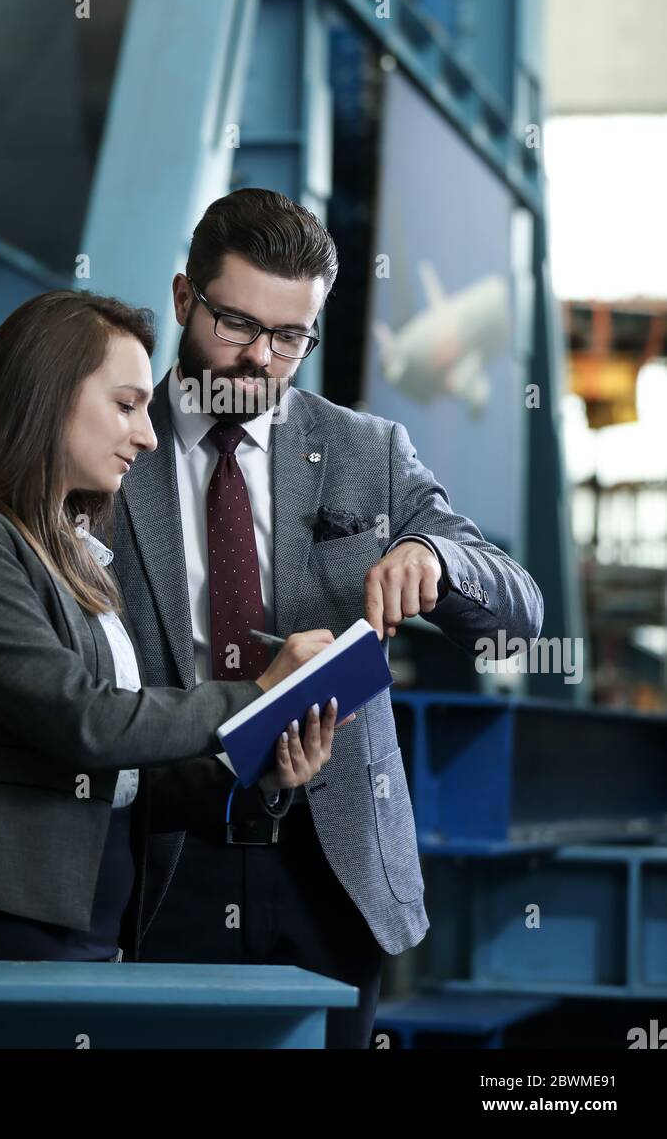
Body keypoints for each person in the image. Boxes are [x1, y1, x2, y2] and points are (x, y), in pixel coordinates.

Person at [112, 187, 546, 1048]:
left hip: (331, 864)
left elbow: (519, 612)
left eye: (290, 339)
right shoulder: (115, 442)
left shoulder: (366, 452)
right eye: (236, 326)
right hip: (161, 854)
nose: (259, 361)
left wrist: (440, 558)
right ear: (181, 297)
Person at [0, 290, 347, 964]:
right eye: (127, 404)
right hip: (3, 921)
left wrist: (259, 768)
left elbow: (126, 782)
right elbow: (84, 721)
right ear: (46, 395)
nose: (147, 433)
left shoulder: (82, 559)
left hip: (100, 927)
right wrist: (257, 692)